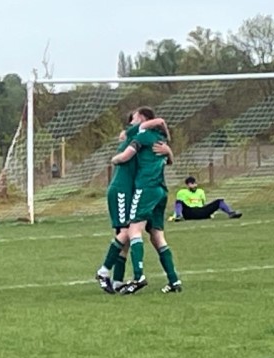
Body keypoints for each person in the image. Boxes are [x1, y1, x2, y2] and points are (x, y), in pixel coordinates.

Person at [95, 113, 172, 293]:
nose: (131, 122)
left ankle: (117, 281)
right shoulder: (137, 136)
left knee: (128, 236)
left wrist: (168, 150)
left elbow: (159, 127)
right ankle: (104, 271)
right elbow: (126, 154)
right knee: (125, 231)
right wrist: (115, 159)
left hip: (131, 190)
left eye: (135, 118)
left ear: (144, 120)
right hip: (121, 189)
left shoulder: (143, 137)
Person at [172, 176, 242, 221]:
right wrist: (175, 215)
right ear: (187, 185)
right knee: (179, 201)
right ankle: (179, 216)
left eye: (194, 183)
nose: (193, 185)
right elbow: (179, 205)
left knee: (219, 201)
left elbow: (203, 203)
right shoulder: (182, 192)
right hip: (189, 212)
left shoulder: (200, 191)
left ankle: (231, 213)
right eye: (191, 184)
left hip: (201, 211)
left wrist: (209, 212)